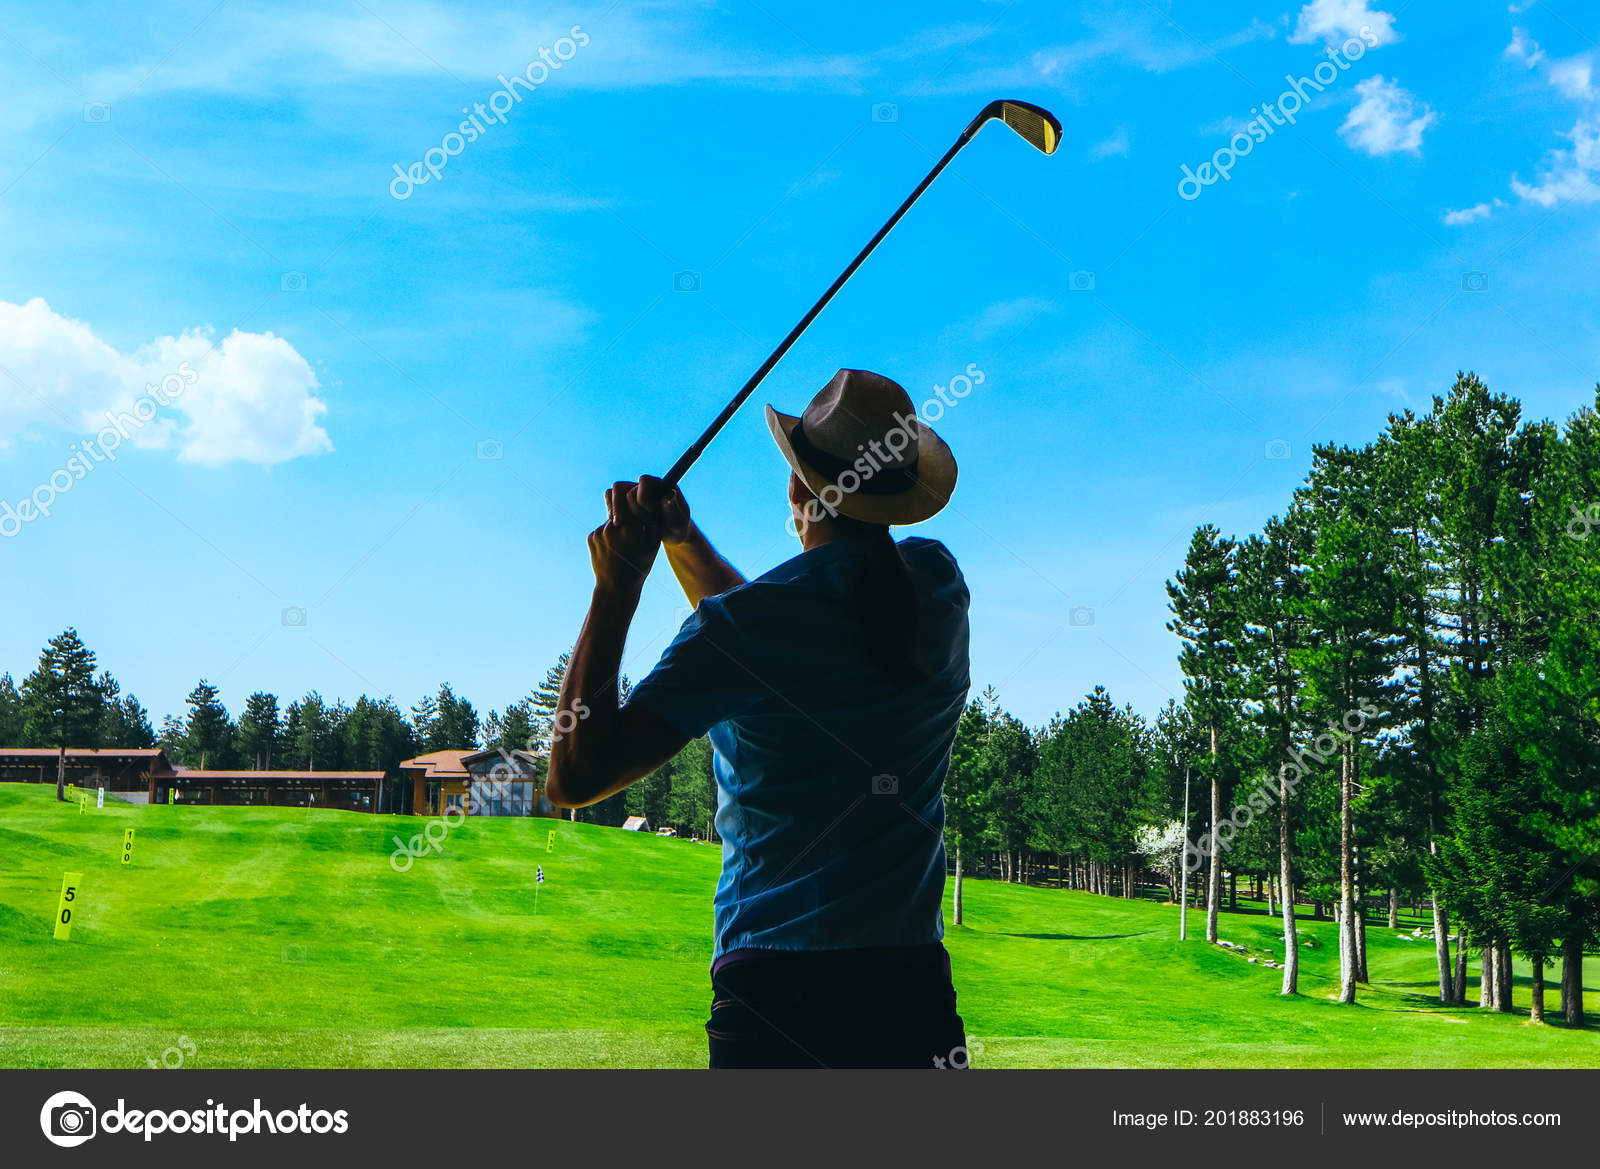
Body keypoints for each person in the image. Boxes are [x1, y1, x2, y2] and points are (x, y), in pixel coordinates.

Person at [546, 368, 972, 1068]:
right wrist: (685, 543)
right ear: (896, 496)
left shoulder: (743, 632)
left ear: (798, 489)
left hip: (778, 998)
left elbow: (573, 775)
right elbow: (791, 634)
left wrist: (617, 586)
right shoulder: (938, 586)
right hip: (911, 991)